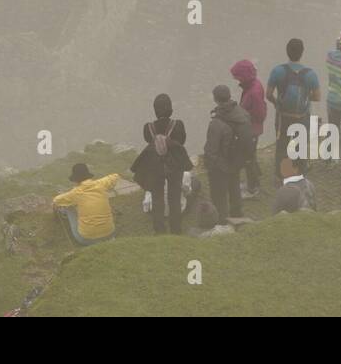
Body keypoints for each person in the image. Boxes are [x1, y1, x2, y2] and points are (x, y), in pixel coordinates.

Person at [130, 93, 194, 234]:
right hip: (175, 165)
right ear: (170, 108)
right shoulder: (178, 124)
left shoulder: (148, 127)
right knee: (174, 197)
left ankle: (159, 230)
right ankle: (176, 229)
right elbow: (181, 142)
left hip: (155, 165)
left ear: (155, 109)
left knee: (157, 197)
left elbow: (150, 142)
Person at [267, 38, 321, 179]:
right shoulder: (311, 74)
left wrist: (276, 103)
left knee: (281, 146)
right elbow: (317, 97)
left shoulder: (277, 71)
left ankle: (280, 176)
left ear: (287, 51)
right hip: (301, 117)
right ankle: (300, 175)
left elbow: (268, 94)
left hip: (283, 117)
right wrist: (305, 97)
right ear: (302, 53)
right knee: (301, 147)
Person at [204, 84, 252, 220]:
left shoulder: (216, 123)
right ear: (229, 96)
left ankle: (221, 220)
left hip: (221, 163)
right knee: (234, 186)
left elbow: (210, 150)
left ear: (215, 99)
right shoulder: (242, 113)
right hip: (237, 159)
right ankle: (237, 215)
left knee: (219, 193)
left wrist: (212, 165)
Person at [52, 163, 121, 245]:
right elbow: (115, 176)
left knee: (68, 206)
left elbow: (56, 200)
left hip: (87, 239)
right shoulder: (101, 184)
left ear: (75, 180)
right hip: (110, 234)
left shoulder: (75, 193)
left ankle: (65, 216)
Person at [230, 59, 267, 198]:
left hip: (251, 130)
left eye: (237, 76)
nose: (236, 79)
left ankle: (252, 189)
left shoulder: (254, 92)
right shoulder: (253, 85)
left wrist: (244, 117)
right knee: (250, 156)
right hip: (250, 128)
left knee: (248, 158)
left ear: (244, 76)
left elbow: (259, 114)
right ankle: (253, 181)